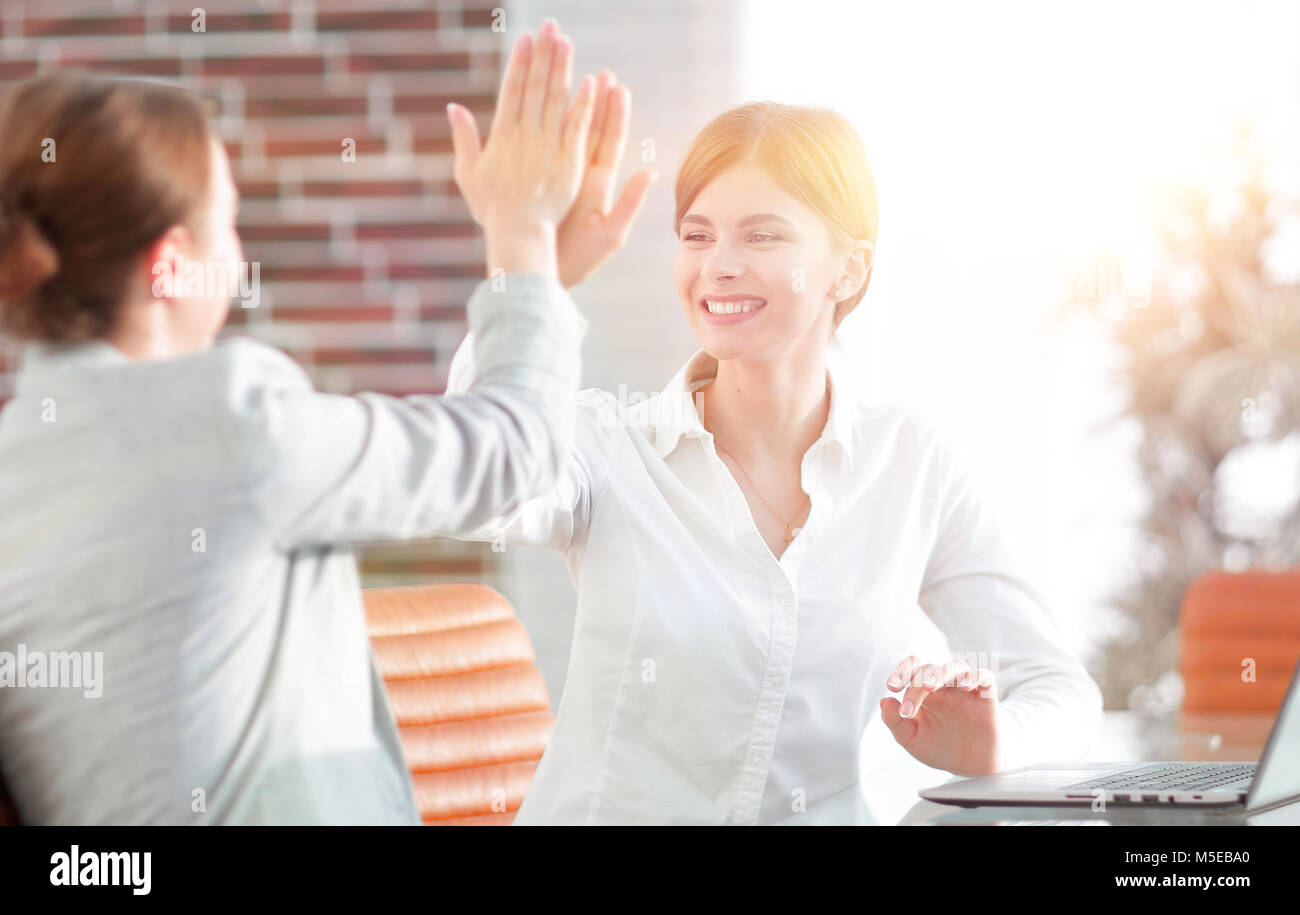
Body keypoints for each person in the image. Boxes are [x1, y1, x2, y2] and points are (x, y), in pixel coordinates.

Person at [0, 18, 649, 824]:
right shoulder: (229, 421)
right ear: (171, 263)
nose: (237, 260)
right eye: (228, 223)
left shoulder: (18, 457)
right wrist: (521, 238)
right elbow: (513, 452)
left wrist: (540, 279)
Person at [445, 101, 1105, 825]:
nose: (718, 266)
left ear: (847, 272)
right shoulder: (608, 448)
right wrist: (531, 272)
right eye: (696, 236)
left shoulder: (913, 465)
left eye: (762, 235)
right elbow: (472, 486)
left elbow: (1060, 690)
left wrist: (995, 744)